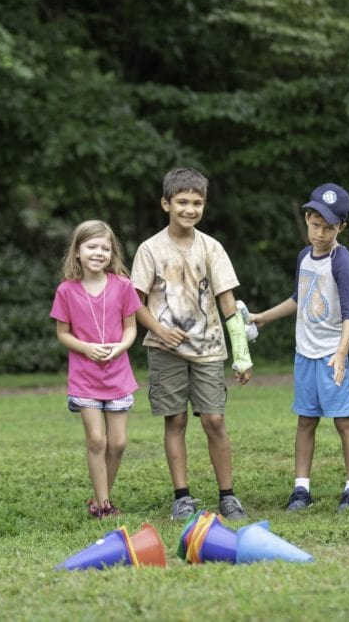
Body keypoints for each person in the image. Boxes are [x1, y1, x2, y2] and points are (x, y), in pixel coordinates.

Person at [131, 168, 253, 521]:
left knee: (214, 420)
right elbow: (135, 303)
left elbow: (228, 303)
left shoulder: (212, 248)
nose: (189, 209)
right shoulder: (149, 249)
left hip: (209, 350)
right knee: (175, 422)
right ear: (166, 203)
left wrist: (242, 355)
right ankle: (182, 497)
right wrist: (160, 331)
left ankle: (228, 496)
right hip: (164, 350)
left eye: (197, 203)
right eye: (182, 202)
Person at [250, 183, 349, 512]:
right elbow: (298, 298)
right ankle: (301, 489)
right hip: (306, 354)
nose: (320, 233)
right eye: (315, 225)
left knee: (345, 422)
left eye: (328, 228)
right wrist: (264, 317)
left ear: (341, 227)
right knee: (305, 420)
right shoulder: (304, 256)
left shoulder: (341, 261)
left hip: (336, 355)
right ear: (306, 219)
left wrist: (342, 354)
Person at [50, 220, 142, 519]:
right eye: (91, 247)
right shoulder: (66, 290)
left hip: (118, 376)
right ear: (77, 252)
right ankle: (103, 505)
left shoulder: (123, 286)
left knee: (118, 442)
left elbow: (131, 329)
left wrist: (119, 347)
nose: (98, 253)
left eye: (105, 247)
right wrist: (86, 348)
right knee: (97, 440)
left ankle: (101, 495)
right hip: (85, 378)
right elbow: (62, 334)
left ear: (112, 253)